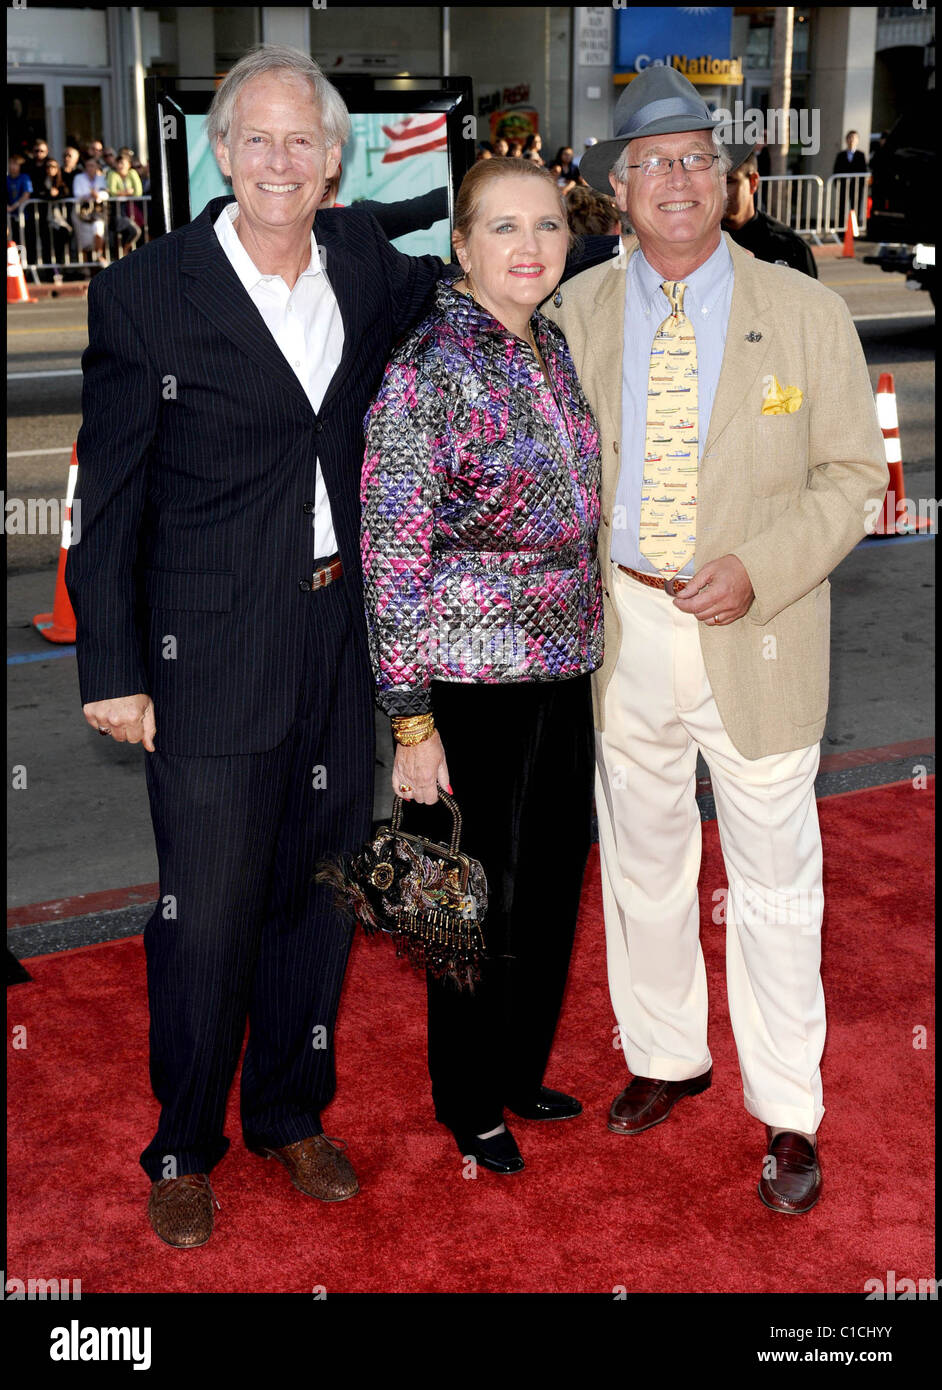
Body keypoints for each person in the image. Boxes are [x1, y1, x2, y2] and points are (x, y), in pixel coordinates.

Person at [66, 43, 446, 1250]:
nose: (281, 161)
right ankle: (182, 1142)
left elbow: (496, 272)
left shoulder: (369, 267)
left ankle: (290, 1110)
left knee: (320, 898)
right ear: (218, 153)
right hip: (206, 651)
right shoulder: (146, 291)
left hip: (339, 636)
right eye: (258, 139)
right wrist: (113, 668)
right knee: (208, 911)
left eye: (305, 142)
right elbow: (110, 500)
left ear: (335, 161)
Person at [548, 65, 887, 1213]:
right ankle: (665, 1054)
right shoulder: (575, 311)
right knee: (641, 860)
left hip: (762, 626)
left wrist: (762, 570)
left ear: (729, 179)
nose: (677, 180)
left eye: (697, 157)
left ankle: (789, 1111)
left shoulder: (804, 309)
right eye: (653, 164)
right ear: (621, 190)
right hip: (620, 625)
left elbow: (853, 478)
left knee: (777, 883)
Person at [361, 157, 602, 1176]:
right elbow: (391, 546)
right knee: (464, 899)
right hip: (461, 681)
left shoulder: (546, 344)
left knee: (547, 886)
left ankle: (514, 1066)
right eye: (503, 227)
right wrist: (412, 722)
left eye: (546, 225)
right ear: (460, 246)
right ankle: (467, 1100)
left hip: (563, 664)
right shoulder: (428, 364)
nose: (530, 246)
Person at [721, 145, 817, 277]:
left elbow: (810, 297)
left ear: (753, 182)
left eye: (729, 182)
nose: (720, 192)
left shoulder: (790, 247)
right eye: (716, 181)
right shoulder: (698, 244)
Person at [70, 157, 109, 263]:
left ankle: (98, 255)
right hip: (81, 212)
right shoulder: (79, 178)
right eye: (87, 166)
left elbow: (105, 193)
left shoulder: (101, 178)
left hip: (96, 211)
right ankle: (86, 267)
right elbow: (77, 193)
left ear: (97, 167)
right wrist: (88, 195)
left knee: (98, 230)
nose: (90, 168)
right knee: (84, 240)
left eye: (92, 165)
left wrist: (97, 195)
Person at [105, 153, 143, 255]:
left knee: (136, 232)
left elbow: (138, 192)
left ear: (129, 164)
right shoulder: (112, 174)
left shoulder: (132, 173)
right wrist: (127, 192)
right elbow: (112, 192)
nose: (120, 165)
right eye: (118, 163)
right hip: (116, 211)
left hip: (130, 210)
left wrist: (121, 193)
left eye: (122, 163)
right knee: (134, 231)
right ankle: (123, 253)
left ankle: (124, 253)